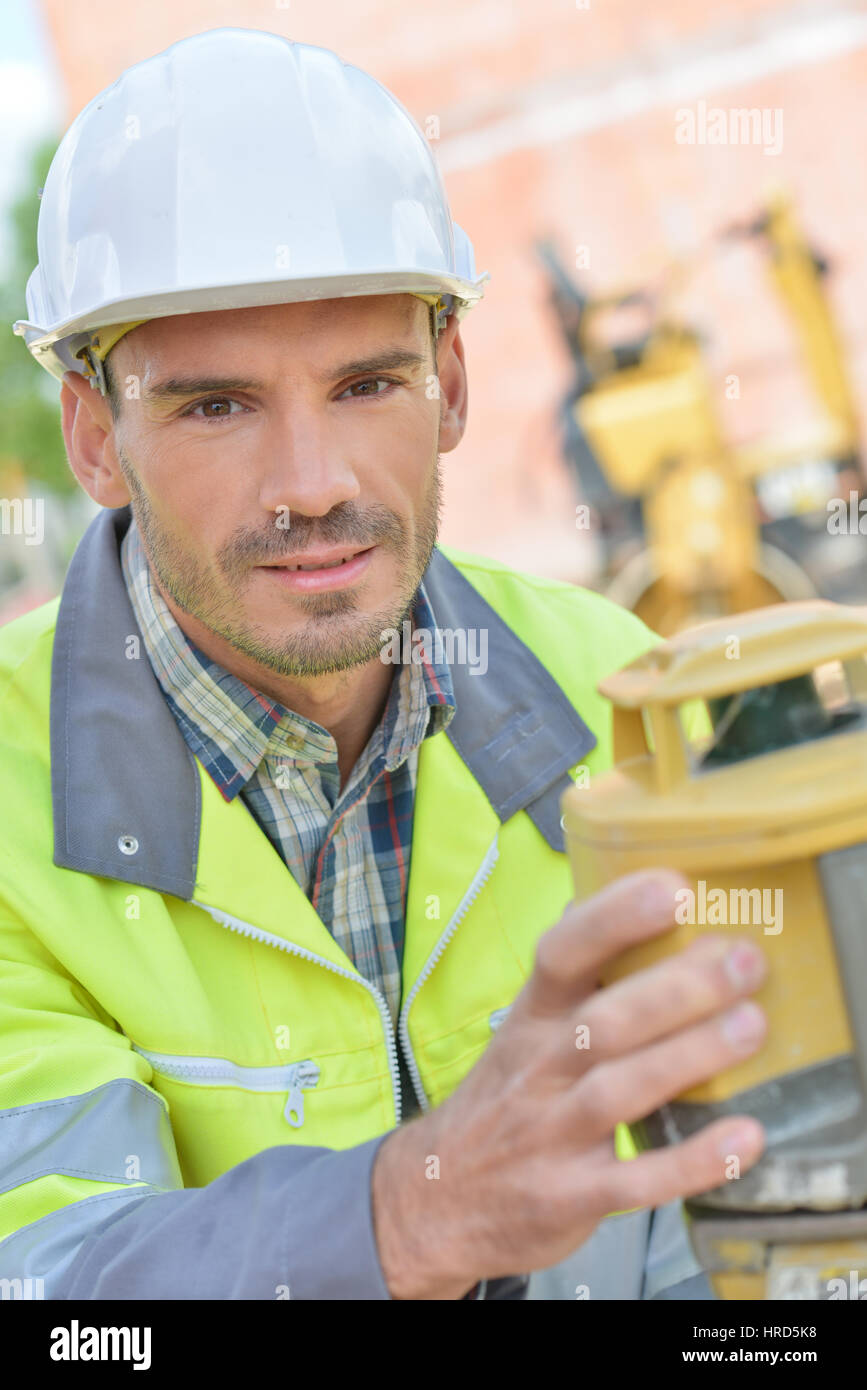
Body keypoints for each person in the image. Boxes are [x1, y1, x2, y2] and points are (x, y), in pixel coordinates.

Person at [0, 27, 767, 1300]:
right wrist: (414, 1218)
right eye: (216, 405)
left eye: (366, 383)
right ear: (93, 435)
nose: (315, 487)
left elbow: (748, 1235)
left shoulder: (629, 696)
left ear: (452, 384)